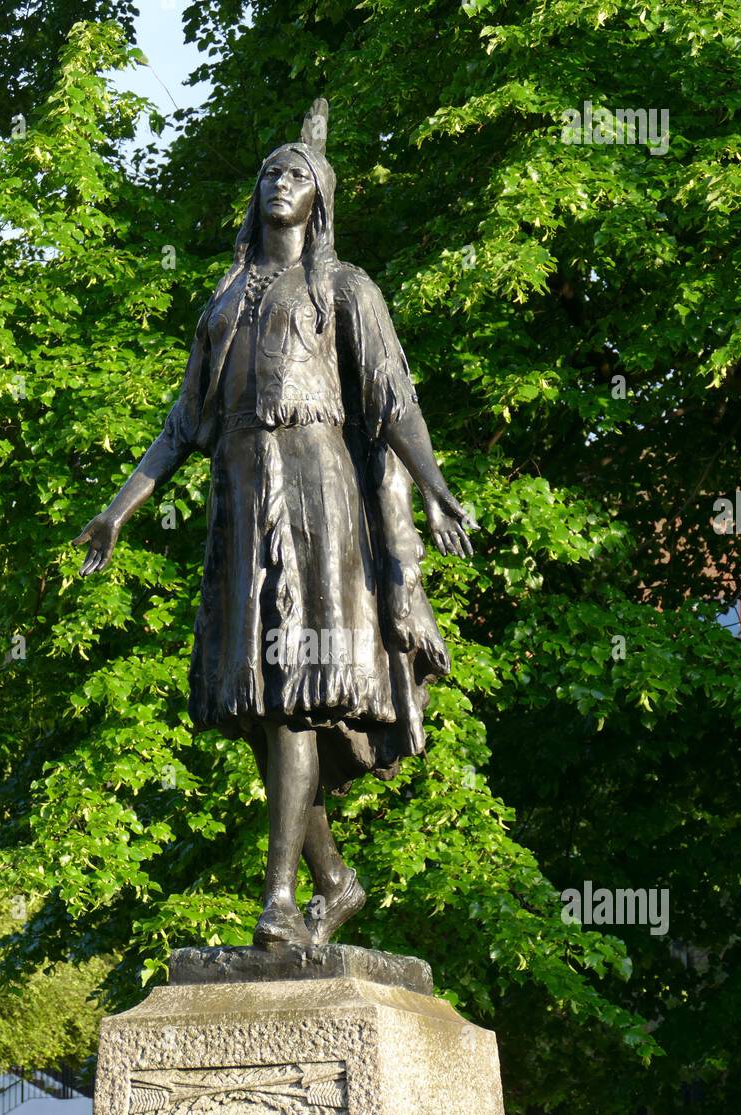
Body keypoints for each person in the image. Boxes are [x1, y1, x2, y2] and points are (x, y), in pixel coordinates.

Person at [74, 100, 476, 949]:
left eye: (295, 174)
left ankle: (279, 903)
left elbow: (393, 403)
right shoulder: (226, 296)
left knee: (295, 694)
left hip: (319, 495)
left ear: (320, 198)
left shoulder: (345, 289)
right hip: (239, 500)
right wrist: (117, 512)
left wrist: (437, 491)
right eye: (267, 173)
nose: (277, 183)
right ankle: (335, 881)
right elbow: (184, 425)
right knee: (261, 707)